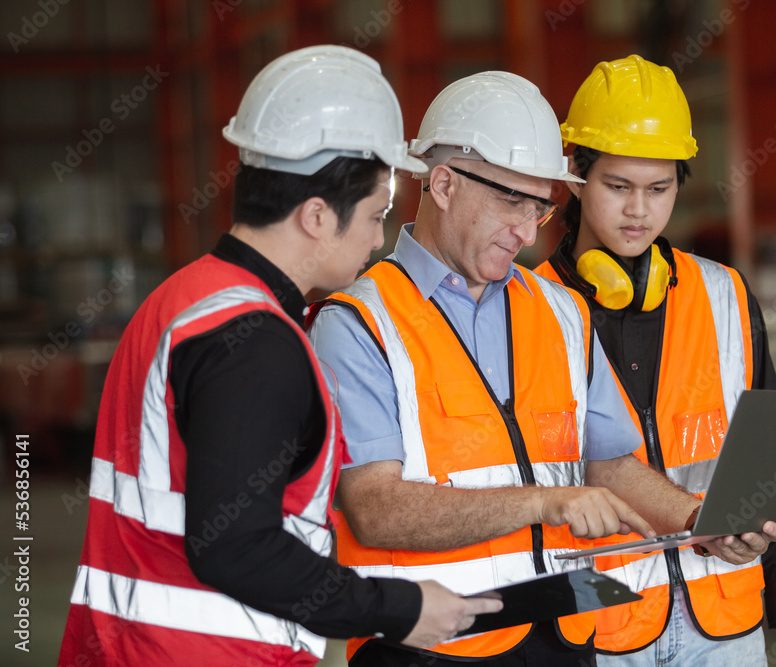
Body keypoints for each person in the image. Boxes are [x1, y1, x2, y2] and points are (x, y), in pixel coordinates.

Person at [306, 70, 776, 667]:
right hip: (433, 642)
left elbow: (608, 462)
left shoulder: (559, 311)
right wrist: (544, 502)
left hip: (563, 633)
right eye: (511, 200)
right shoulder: (358, 323)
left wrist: (698, 520)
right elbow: (374, 507)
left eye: (538, 206)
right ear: (445, 184)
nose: (525, 228)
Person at [57, 46, 502, 667]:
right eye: (375, 216)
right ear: (317, 216)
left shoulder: (181, 299)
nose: (378, 240)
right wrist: (397, 609)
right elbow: (236, 547)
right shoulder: (255, 343)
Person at [534, 55, 776, 666]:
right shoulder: (532, 306)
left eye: (659, 189)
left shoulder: (723, 295)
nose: (639, 210)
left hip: (723, 618)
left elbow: (772, 447)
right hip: (600, 622)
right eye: (618, 187)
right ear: (576, 179)